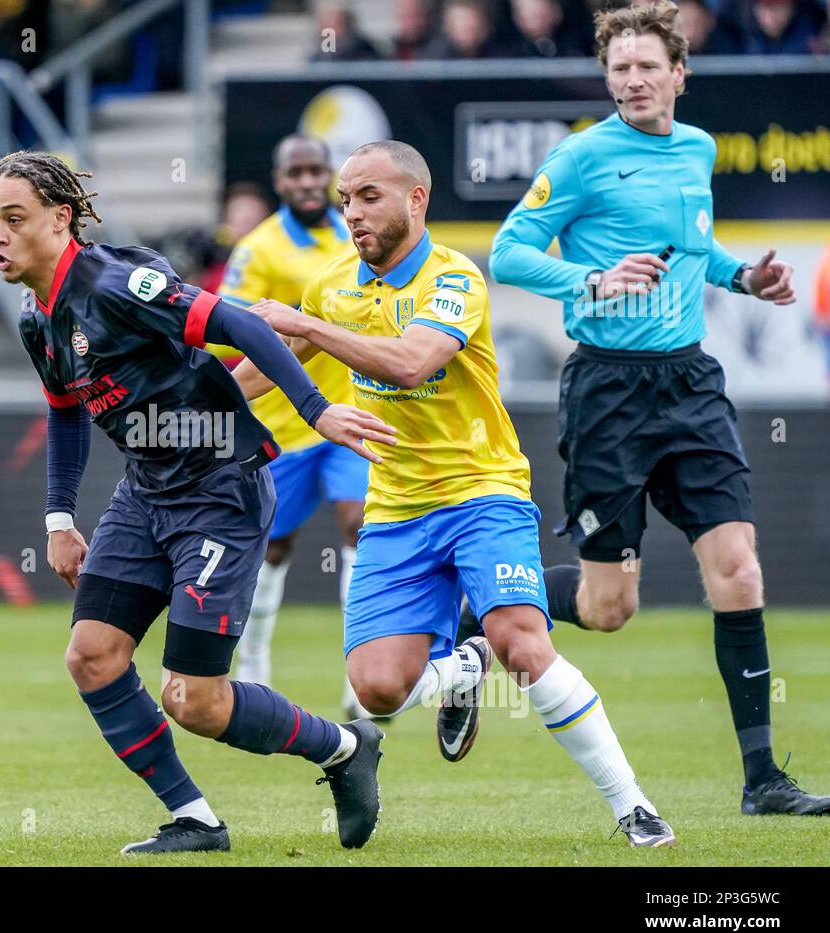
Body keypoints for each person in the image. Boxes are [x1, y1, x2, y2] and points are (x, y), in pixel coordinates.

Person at [236, 140, 676, 847]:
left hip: (483, 489)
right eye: (347, 200)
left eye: (368, 196)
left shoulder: (455, 278)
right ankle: (468, 663)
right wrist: (180, 404)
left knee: (525, 645)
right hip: (398, 507)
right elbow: (262, 372)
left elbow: (412, 364)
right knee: (377, 690)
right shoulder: (332, 285)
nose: (353, 213)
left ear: (417, 199)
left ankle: (634, 808)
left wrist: (304, 324)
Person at [0, 151, 393, 854]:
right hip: (145, 494)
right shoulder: (35, 319)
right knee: (92, 656)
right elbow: (67, 413)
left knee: (195, 701)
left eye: (14, 219)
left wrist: (316, 412)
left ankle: (345, 749)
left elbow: (247, 327)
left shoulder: (116, 284)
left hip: (219, 490)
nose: (0, 235)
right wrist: (57, 519)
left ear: (60, 218)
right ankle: (196, 820)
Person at [489, 0, 828, 815]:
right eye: (619, 68)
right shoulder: (579, 157)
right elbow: (508, 252)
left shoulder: (698, 150)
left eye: (647, 66)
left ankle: (763, 782)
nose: (632, 80)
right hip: (607, 389)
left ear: (680, 73)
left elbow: (696, 246)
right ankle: (486, 604)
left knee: (739, 570)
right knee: (611, 608)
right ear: (607, 78)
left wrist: (743, 278)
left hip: (690, 383)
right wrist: (593, 281)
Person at [211, 135, 371, 721]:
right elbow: (227, 324)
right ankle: (253, 663)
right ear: (279, 182)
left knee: (359, 523)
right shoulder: (259, 249)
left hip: (351, 411)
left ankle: (361, 671)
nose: (307, 181)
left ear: (330, 176)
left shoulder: (357, 230)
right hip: (283, 420)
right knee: (273, 547)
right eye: (295, 172)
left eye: (316, 171)